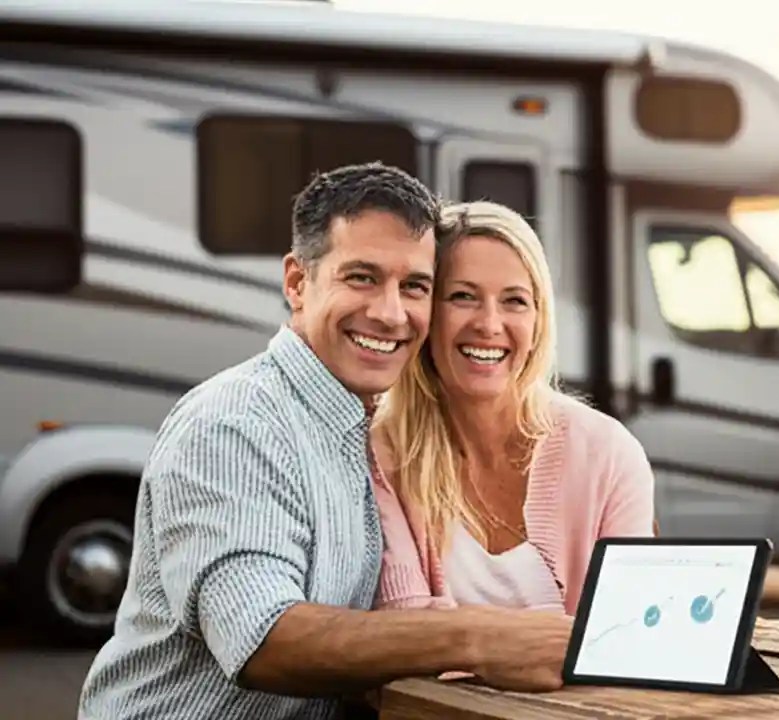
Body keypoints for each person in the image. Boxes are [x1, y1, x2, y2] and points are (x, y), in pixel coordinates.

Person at [78, 164, 575, 720]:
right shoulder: (236, 423)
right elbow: (263, 639)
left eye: (414, 286)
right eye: (362, 277)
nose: (390, 314)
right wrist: (482, 637)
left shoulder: (368, 428)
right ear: (297, 283)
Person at [370, 200, 656, 620]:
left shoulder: (607, 451)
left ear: (539, 320)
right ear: (427, 312)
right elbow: (406, 626)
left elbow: (629, 626)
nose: (489, 324)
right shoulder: (383, 454)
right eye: (462, 296)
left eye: (515, 301)